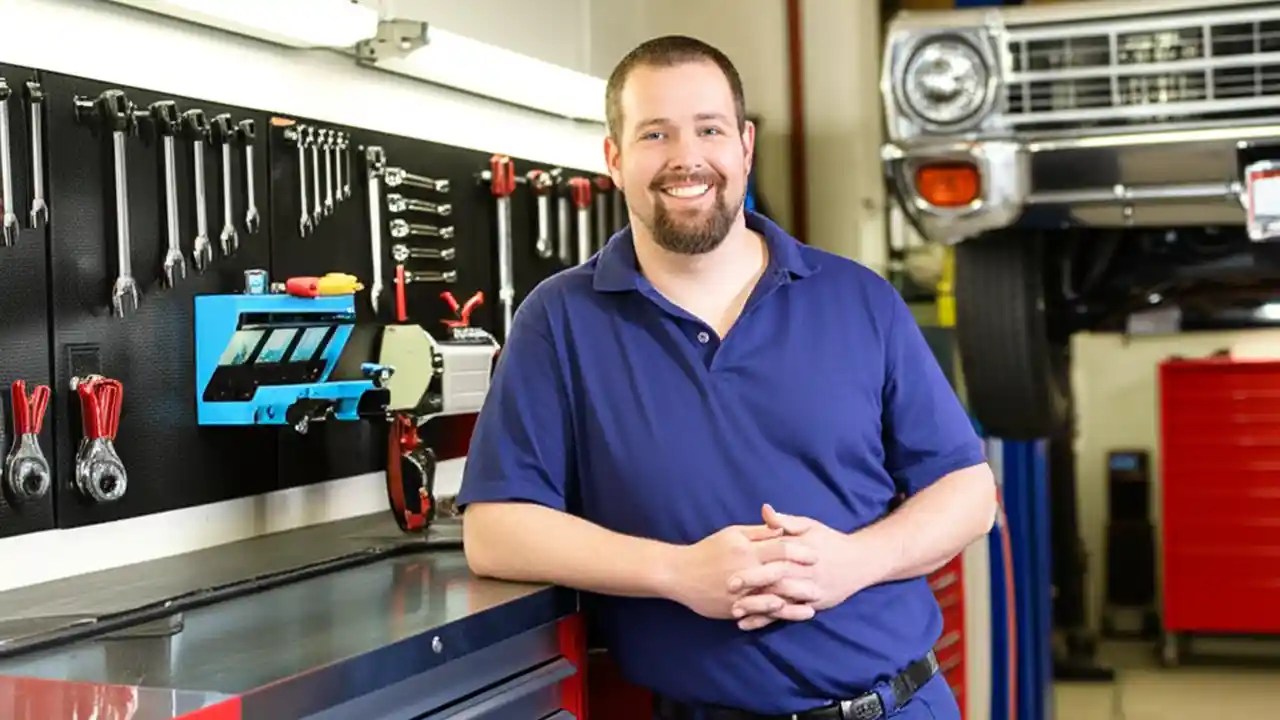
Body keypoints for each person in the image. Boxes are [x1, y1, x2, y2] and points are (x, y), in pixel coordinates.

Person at [456, 34, 997, 720]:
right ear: (614, 159)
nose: (687, 158)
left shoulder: (859, 300)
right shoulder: (560, 322)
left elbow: (969, 491)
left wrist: (854, 562)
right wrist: (676, 573)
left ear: (744, 146)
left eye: (708, 129)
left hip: (899, 705)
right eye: (656, 133)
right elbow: (496, 530)